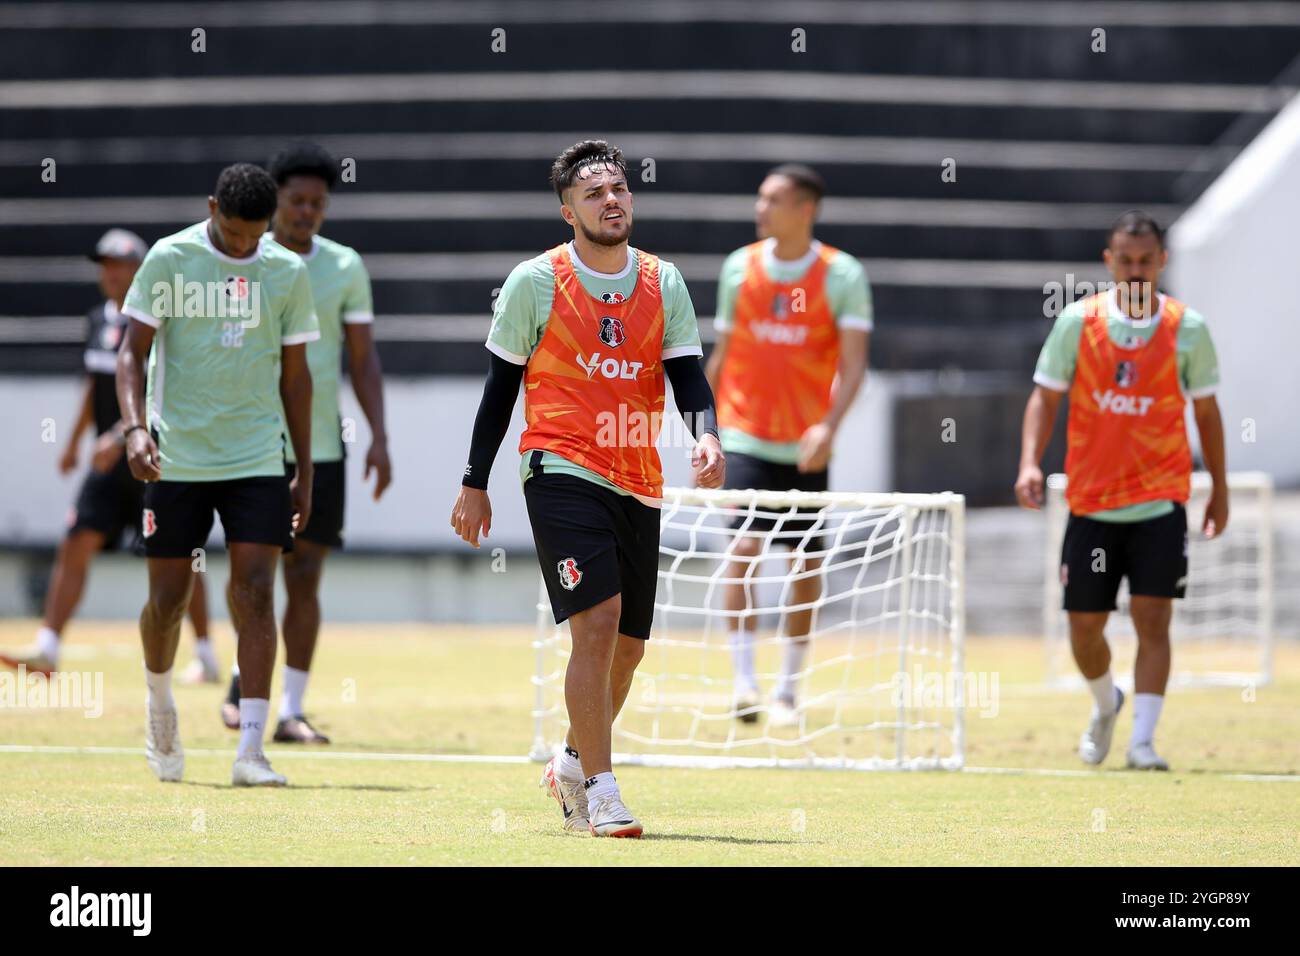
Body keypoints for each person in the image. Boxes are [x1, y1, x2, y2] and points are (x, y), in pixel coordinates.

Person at [449, 140, 724, 837]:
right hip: (561, 467)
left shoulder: (664, 282)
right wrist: (474, 481)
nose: (612, 199)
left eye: (620, 189)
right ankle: (603, 794)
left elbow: (688, 375)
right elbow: (498, 391)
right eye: (595, 192)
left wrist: (706, 433)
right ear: (568, 209)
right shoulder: (534, 282)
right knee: (595, 627)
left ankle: (571, 763)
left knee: (628, 649)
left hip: (639, 474)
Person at [118, 163, 319, 786]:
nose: (241, 248)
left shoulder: (284, 270)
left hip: (256, 456)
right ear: (212, 208)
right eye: (232, 234)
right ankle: (160, 707)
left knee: (257, 591)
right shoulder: (168, 259)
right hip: (176, 455)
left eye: (253, 237)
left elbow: (296, 376)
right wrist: (134, 428)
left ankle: (251, 751)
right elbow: (132, 352)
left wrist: (303, 469)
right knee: (168, 599)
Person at [1014, 210, 1227, 771]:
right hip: (1092, 502)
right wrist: (1029, 463)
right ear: (1108, 262)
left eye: (1145, 260)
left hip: (1161, 502)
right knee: (1085, 627)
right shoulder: (1078, 322)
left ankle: (1143, 743)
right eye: (1124, 260)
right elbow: (1045, 396)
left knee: (1153, 619)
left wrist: (1220, 489)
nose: (1135, 270)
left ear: (1162, 261)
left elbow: (1207, 412)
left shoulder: (1189, 329)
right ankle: (1106, 702)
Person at [215, 142, 391, 744]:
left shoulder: (345, 267)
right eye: (297, 200)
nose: (307, 211)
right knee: (253, 569)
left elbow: (363, 361)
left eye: (318, 202)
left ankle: (290, 708)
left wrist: (379, 436)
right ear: (276, 199)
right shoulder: (246, 257)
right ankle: (245, 680)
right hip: (254, 441)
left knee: (308, 573)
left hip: (322, 444)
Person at [0, 229, 213, 678]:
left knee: (180, 553)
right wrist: (74, 441)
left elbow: (158, 390)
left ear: (140, 268)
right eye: (105, 264)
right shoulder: (98, 319)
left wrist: (119, 436)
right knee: (77, 541)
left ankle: (207, 653)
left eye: (119, 263)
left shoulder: (155, 320)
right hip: (108, 462)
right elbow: (93, 385)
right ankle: (48, 647)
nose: (111, 273)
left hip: (149, 455)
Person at [704, 165, 871, 726]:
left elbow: (852, 366)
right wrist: (704, 428)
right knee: (744, 551)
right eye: (759, 198)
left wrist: (829, 426)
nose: (760, 207)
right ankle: (744, 684)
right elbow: (723, 356)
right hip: (745, 433)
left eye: (773, 199)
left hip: (805, 444)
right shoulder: (739, 267)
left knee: (804, 563)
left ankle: (787, 692)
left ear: (806, 209)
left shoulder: (841, 273)